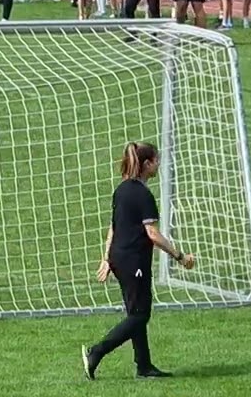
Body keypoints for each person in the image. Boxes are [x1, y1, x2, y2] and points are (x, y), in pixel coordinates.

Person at [82, 142, 196, 381]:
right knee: (139, 316)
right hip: (133, 261)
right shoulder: (143, 195)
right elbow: (152, 234)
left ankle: (144, 366)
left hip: (119, 258)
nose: (159, 164)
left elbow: (113, 228)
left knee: (135, 312)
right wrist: (180, 256)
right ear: (146, 164)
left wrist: (106, 258)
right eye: (156, 160)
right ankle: (96, 352)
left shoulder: (121, 189)